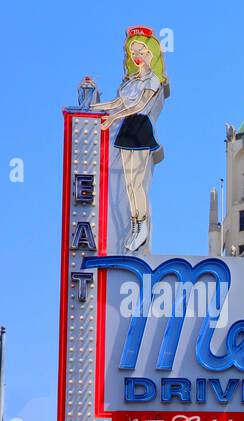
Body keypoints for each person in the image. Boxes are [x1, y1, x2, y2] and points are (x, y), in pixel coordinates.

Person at [90, 26, 169, 252]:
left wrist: (113, 116)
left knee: (137, 183)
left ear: (151, 53)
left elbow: (139, 105)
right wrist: (93, 107)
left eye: (141, 50)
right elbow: (117, 103)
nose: (137, 55)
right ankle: (133, 225)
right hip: (126, 128)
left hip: (140, 128)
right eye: (133, 51)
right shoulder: (129, 82)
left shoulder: (153, 80)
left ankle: (141, 225)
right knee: (127, 185)